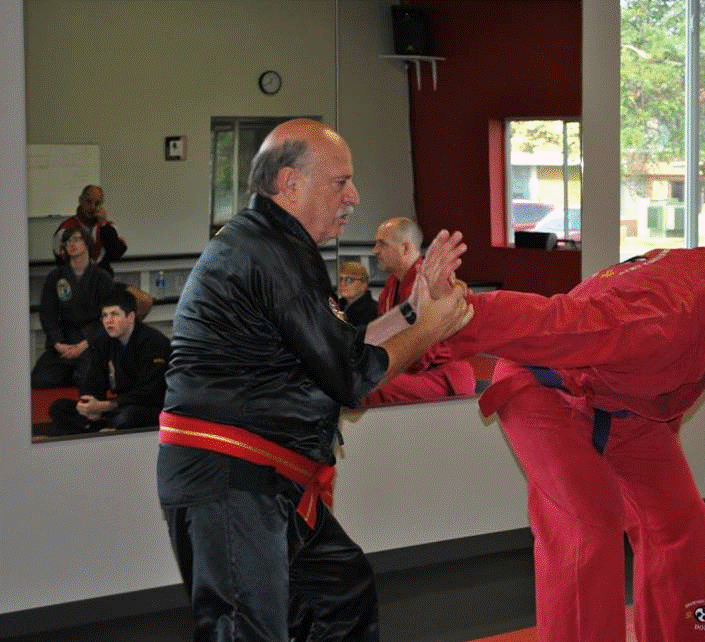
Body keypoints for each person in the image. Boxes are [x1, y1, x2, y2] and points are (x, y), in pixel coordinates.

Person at [156, 118, 471, 642]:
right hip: (230, 478)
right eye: (339, 181)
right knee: (248, 630)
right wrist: (432, 329)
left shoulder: (278, 247)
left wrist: (417, 309)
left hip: (266, 480)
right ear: (290, 184)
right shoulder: (266, 253)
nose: (354, 196)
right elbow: (350, 378)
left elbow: (344, 349)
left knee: (340, 594)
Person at [440, 248, 705, 642]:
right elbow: (553, 319)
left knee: (680, 520)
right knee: (589, 524)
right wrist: (458, 314)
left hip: (623, 405)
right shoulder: (651, 321)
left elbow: (668, 381)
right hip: (545, 388)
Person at [362, 217, 476, 404]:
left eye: (382, 244)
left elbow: (424, 352)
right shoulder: (391, 285)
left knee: (366, 386)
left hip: (440, 376)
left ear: (405, 248)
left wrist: (384, 363)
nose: (375, 250)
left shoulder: (433, 281)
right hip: (406, 368)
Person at [46, 287, 170, 435]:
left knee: (128, 416)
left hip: (146, 407)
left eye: (114, 314)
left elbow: (149, 392)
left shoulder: (154, 342)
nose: (108, 321)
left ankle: (99, 430)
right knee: (58, 407)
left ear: (130, 317)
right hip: (115, 408)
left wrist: (106, 405)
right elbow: (93, 379)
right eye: (104, 316)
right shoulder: (104, 341)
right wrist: (89, 404)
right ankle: (102, 428)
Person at [31, 225, 114, 389]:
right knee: (39, 379)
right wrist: (58, 343)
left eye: (76, 239)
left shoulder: (101, 278)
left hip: (91, 341)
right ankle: (76, 371)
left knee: (88, 379)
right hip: (65, 338)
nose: (72, 244)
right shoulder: (56, 277)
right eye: (68, 241)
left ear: (87, 243)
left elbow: (107, 318)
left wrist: (85, 344)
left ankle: (83, 372)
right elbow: (48, 314)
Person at [53, 184, 127, 275]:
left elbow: (116, 254)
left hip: (102, 281)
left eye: (97, 203)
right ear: (80, 201)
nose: (92, 207)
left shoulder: (108, 227)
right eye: (88, 202)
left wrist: (104, 226)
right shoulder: (66, 229)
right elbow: (62, 260)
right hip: (75, 282)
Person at [337, 260, 379, 326]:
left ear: (364, 284)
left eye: (349, 280)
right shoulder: (336, 307)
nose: (342, 284)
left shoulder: (373, 312)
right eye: (341, 279)